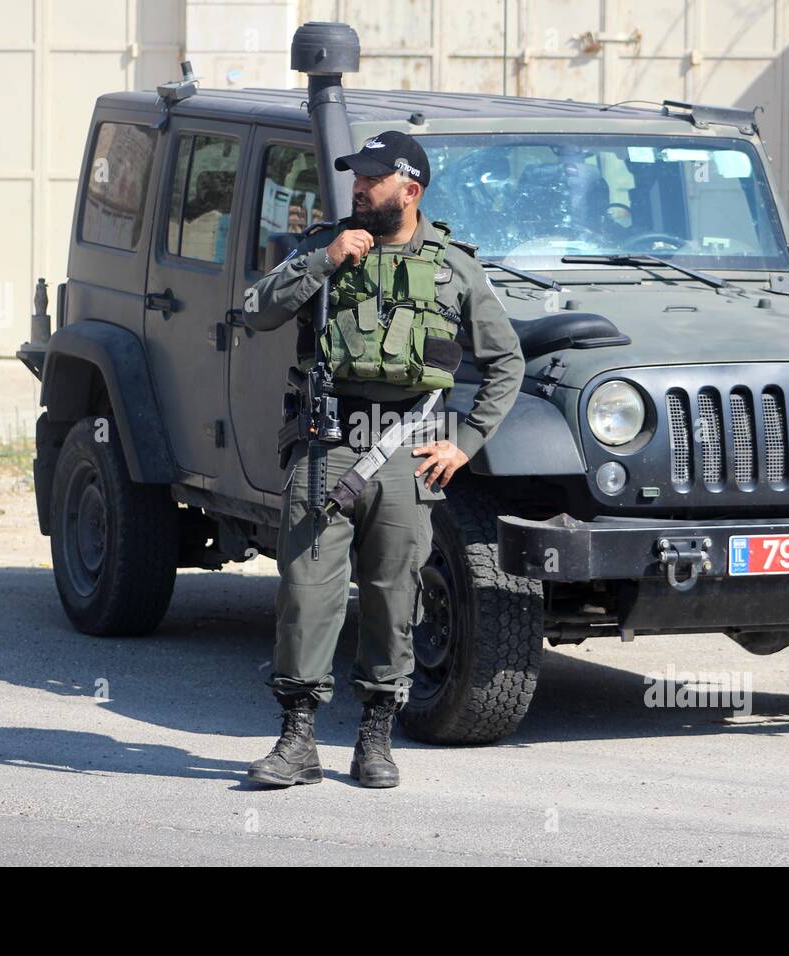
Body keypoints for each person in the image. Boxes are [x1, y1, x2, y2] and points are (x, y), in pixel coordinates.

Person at [243, 130, 524, 788]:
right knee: (306, 595)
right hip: (328, 447)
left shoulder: (456, 267)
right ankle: (298, 740)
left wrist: (469, 440)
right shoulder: (326, 248)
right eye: (357, 177)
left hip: (406, 454)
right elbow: (253, 311)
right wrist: (321, 263)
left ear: (411, 191)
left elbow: (506, 361)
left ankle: (375, 740)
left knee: (393, 599)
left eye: (372, 178)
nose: (359, 188)